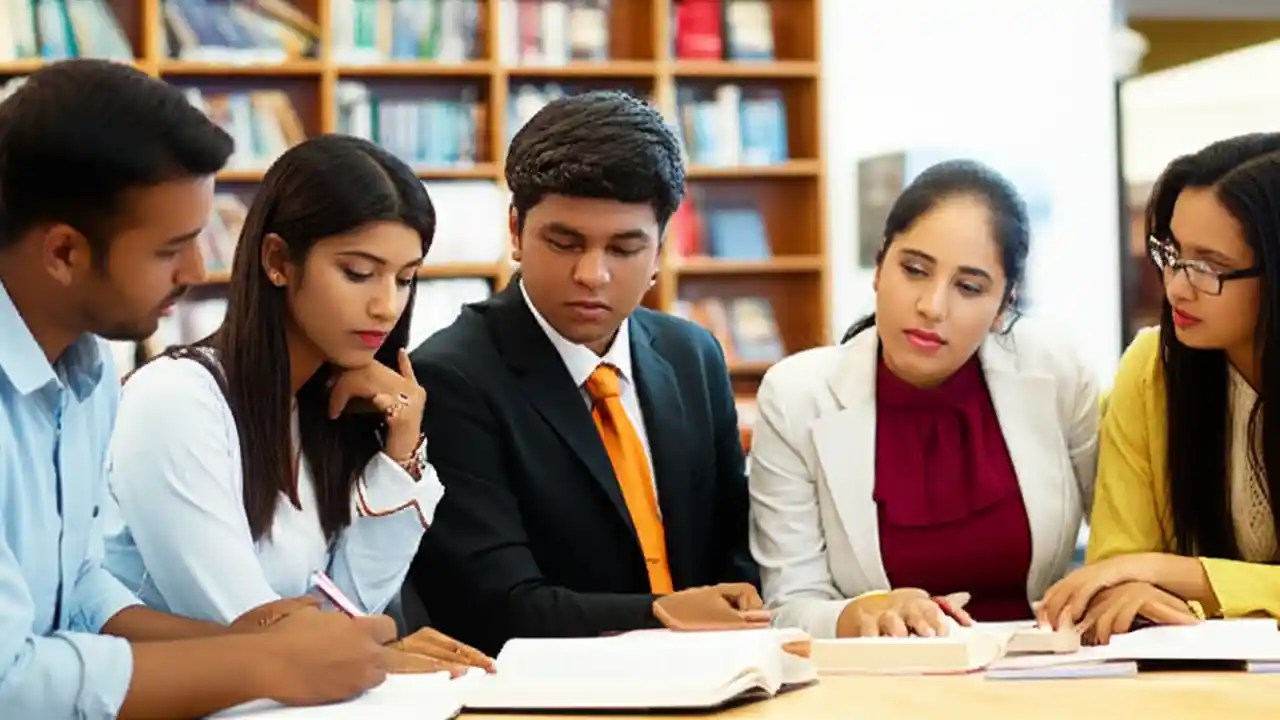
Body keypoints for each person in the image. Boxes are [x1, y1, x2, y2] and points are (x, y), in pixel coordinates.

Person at [0, 59, 395, 719]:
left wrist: (253, 641)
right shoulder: (167, 392)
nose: (199, 268)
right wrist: (259, 662)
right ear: (63, 253)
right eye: (169, 248)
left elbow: (76, 591)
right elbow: (9, 682)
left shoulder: (86, 368)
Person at [101, 134, 493, 675]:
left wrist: (401, 453)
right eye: (357, 273)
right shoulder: (176, 401)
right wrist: (375, 654)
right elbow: (246, 630)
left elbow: (352, 605)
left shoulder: (325, 408)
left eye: (404, 278)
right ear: (278, 260)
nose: (385, 305)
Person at [407, 90, 766, 655]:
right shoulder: (452, 376)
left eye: (625, 248)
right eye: (564, 242)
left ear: (660, 251)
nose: (592, 274)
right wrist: (662, 615)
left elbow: (738, 548)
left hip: (719, 673)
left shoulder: (692, 355)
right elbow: (493, 605)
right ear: (516, 230)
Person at [748, 159, 1100, 639]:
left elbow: (1120, 544)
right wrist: (862, 613)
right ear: (878, 268)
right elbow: (790, 604)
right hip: (879, 685)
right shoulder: (797, 396)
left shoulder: (1055, 370)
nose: (932, 306)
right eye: (914, 270)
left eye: (969, 287)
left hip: (1039, 676)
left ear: (1003, 306)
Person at [1040, 133, 1280, 644]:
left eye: (1209, 266)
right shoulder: (1151, 368)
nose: (1175, 285)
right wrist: (1131, 590)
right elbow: (1114, 569)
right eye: (1171, 253)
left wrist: (1172, 573)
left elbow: (1139, 566)